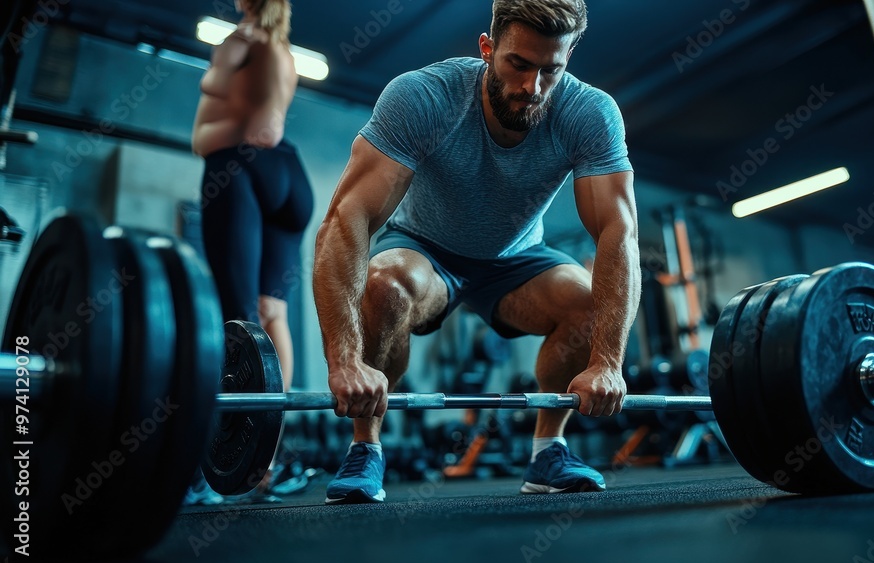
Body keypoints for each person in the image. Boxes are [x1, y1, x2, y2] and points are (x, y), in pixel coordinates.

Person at [313, 0, 639, 504]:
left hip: (517, 261)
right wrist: (344, 360)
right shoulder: (424, 97)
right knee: (384, 287)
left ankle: (548, 449)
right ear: (488, 49)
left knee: (590, 302)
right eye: (518, 64)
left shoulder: (590, 114)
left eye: (550, 70)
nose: (532, 87)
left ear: (569, 57)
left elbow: (619, 232)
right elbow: (345, 220)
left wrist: (608, 361)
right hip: (425, 250)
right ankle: (366, 448)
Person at [189, 0, 314, 502]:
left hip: (239, 166)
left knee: (237, 320)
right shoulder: (282, 50)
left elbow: (257, 127)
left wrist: (209, 135)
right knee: (270, 314)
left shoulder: (243, 41)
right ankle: (265, 460)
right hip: (290, 177)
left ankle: (219, 466)